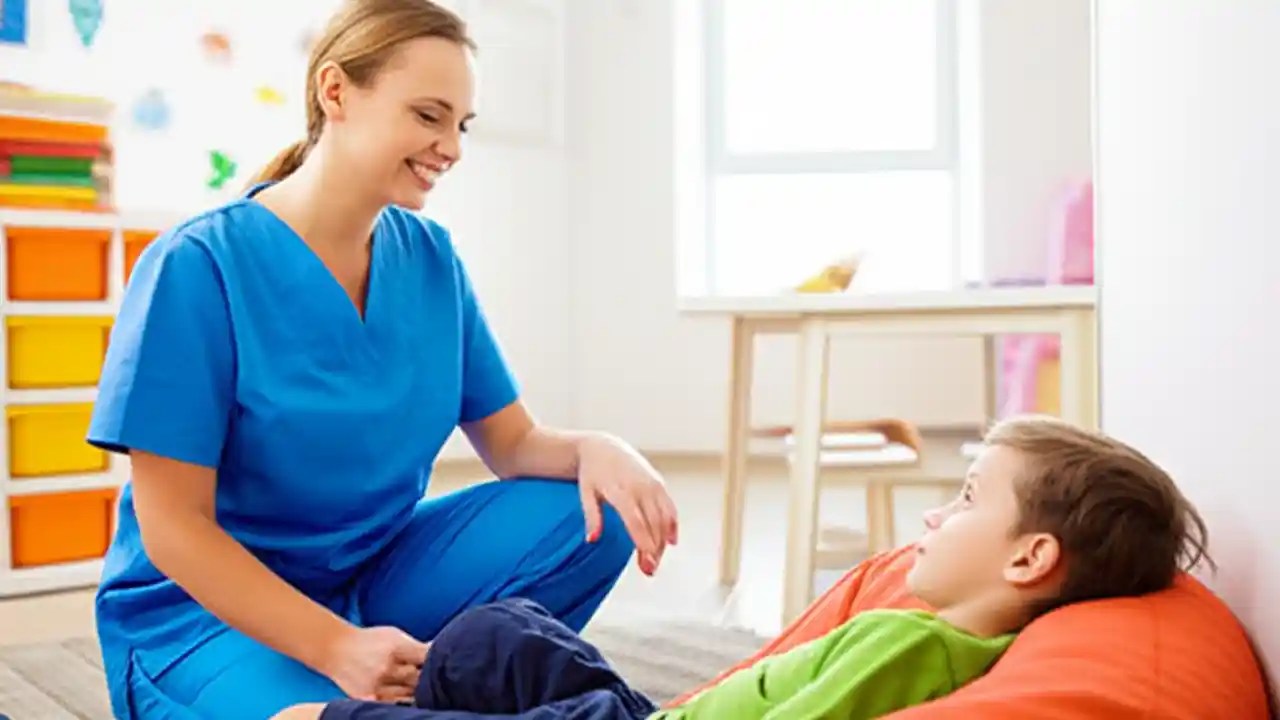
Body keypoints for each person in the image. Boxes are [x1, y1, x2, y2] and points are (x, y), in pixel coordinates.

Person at [85, 2, 679, 718]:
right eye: (429, 116)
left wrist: (599, 449)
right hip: (204, 618)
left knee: (592, 514)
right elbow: (174, 530)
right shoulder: (198, 265)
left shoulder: (431, 260)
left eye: (461, 124)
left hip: (373, 579)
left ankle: (428, 686)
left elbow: (514, 443)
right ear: (335, 92)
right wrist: (334, 646)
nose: (451, 147)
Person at [272, 414, 1213, 720]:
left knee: (508, 668)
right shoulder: (923, 632)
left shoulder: (915, 648)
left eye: (966, 499)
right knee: (499, 630)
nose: (935, 512)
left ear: (1029, 556)